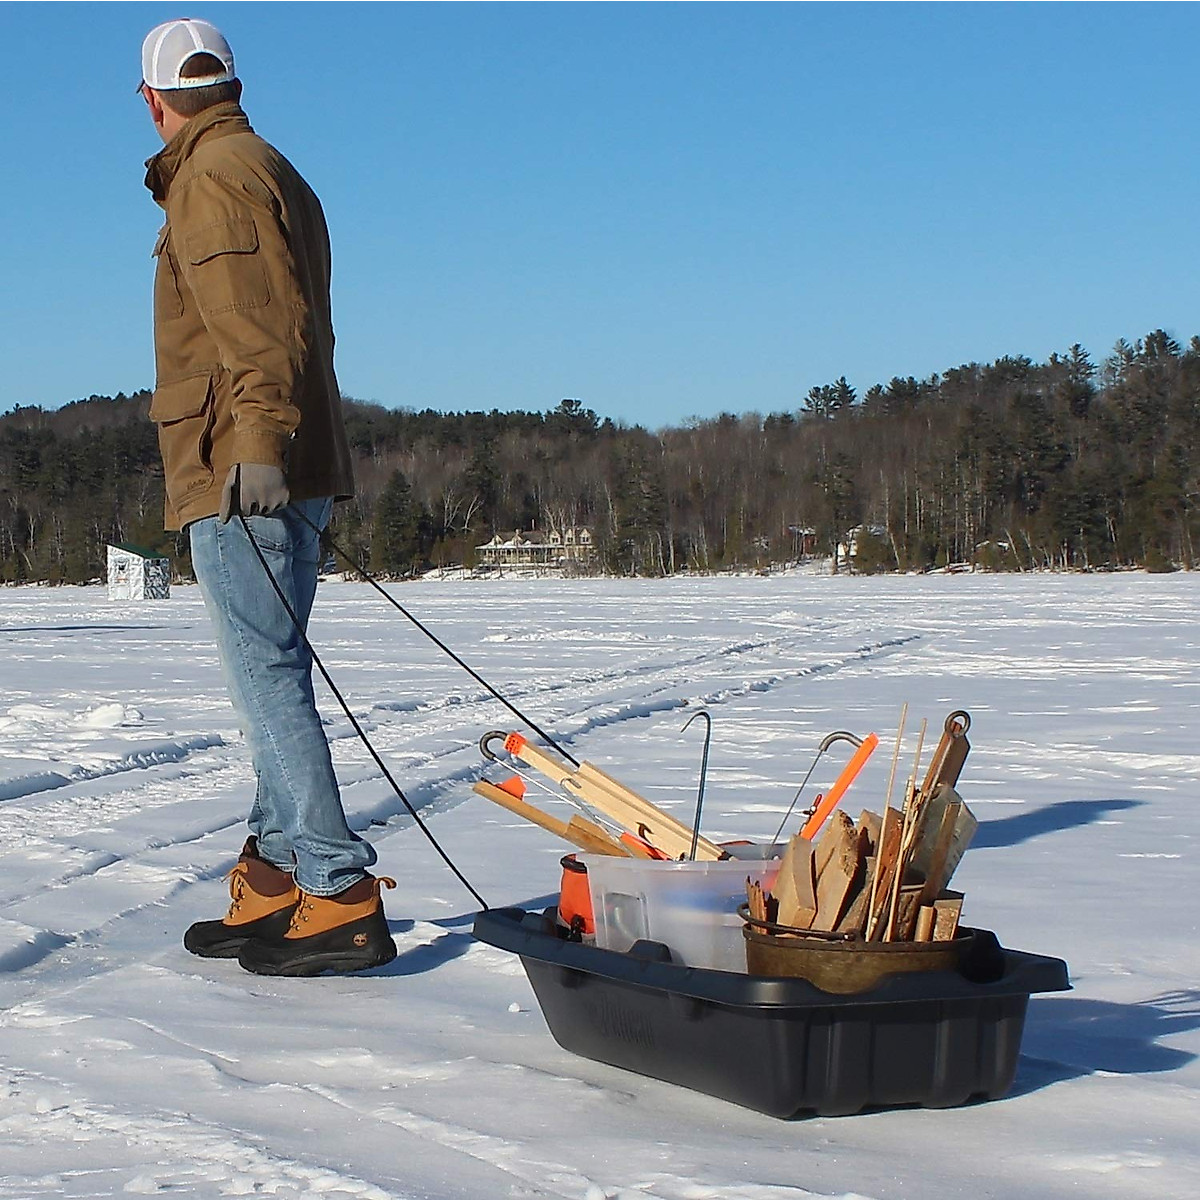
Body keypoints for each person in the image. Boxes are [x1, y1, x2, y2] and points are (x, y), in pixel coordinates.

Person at [139, 17, 395, 975]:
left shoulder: (212, 178)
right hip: (278, 460)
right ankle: (279, 876)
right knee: (267, 673)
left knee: (268, 679)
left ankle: (335, 890)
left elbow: (259, 329)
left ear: (155, 100)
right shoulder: (266, 165)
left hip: (247, 469)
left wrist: (254, 445)